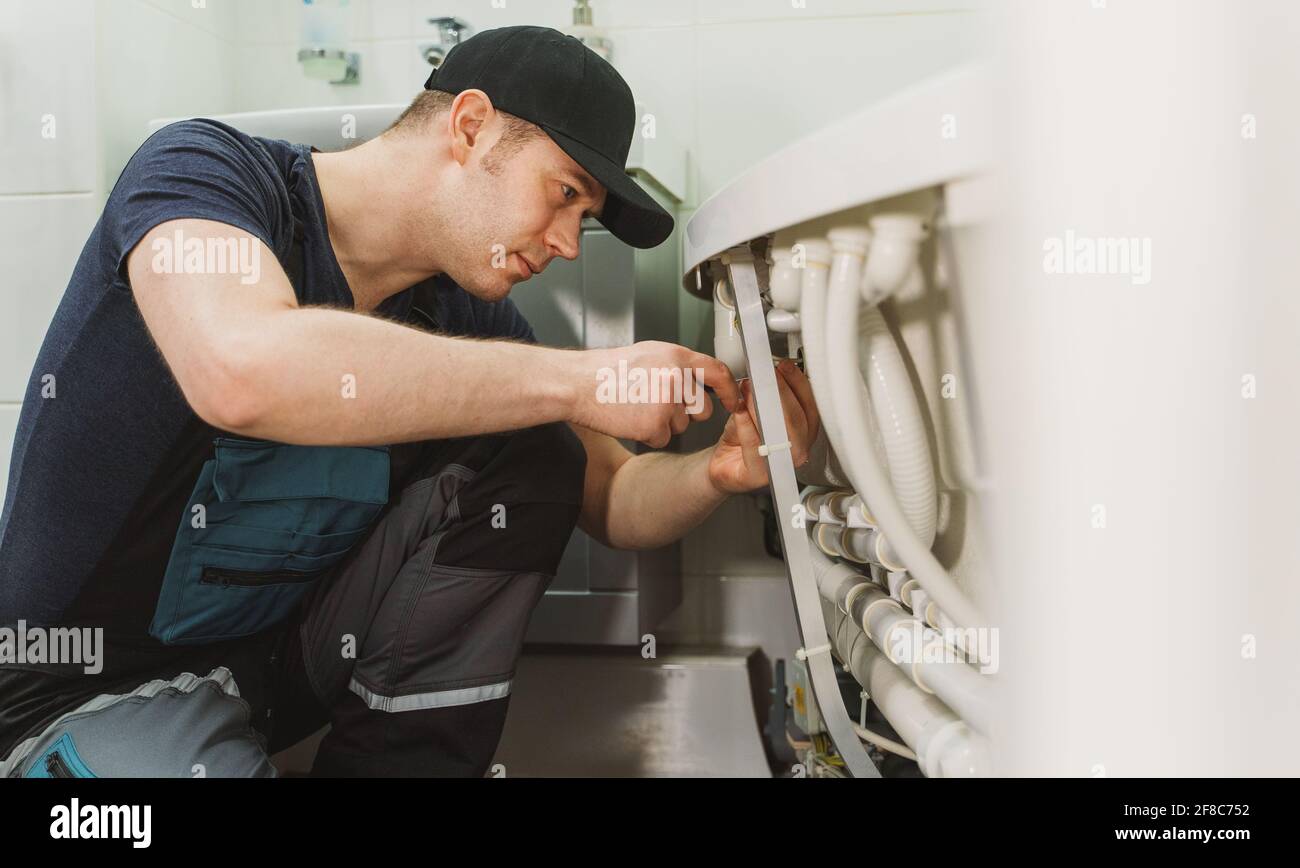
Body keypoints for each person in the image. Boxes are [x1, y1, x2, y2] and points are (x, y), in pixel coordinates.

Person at [0, 25, 818, 777]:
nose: (570, 244)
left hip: (267, 676)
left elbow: (607, 492)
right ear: (470, 126)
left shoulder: (455, 308)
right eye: (565, 193)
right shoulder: (206, 175)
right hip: (74, 692)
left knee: (538, 452)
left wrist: (716, 472)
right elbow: (242, 370)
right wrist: (583, 378)